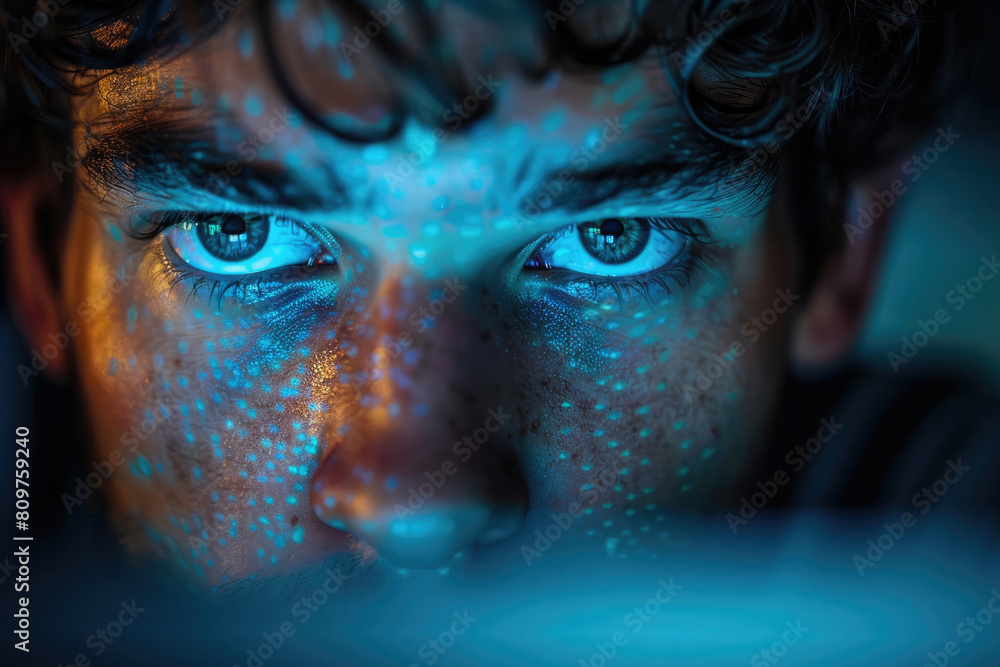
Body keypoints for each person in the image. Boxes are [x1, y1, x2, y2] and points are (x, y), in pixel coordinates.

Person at [1, 0, 994, 598]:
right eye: (236, 236)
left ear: (840, 260)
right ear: (45, 269)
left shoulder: (947, 559)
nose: (418, 504)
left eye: (611, 242)